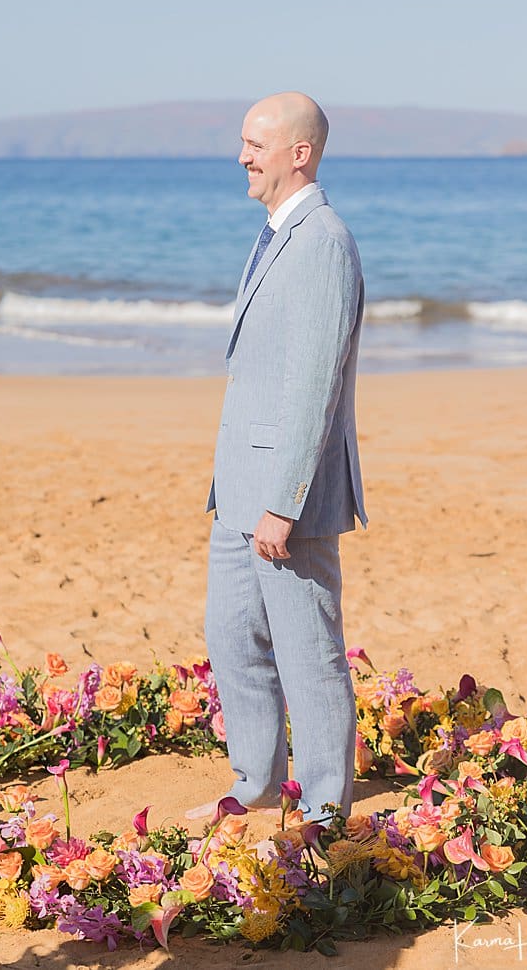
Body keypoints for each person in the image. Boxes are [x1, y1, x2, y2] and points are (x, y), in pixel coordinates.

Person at [189, 93, 367, 824]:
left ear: (301, 152)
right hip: (238, 487)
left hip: (283, 494)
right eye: (242, 142)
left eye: (256, 143)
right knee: (230, 635)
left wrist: (284, 500)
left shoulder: (322, 240)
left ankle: (324, 808)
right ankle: (256, 782)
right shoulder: (274, 234)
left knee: (308, 651)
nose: (242, 156)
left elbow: (315, 384)